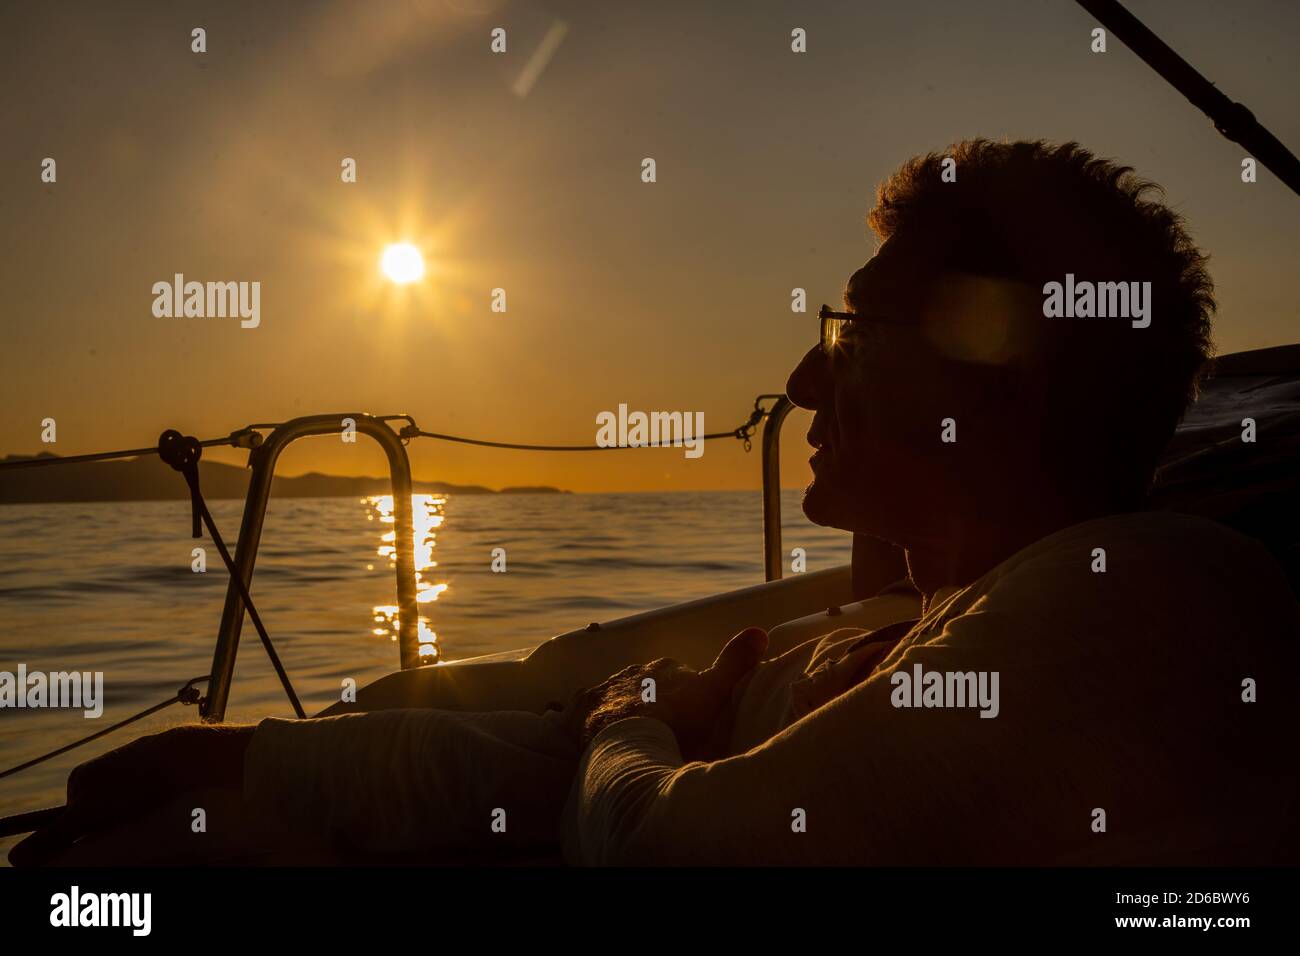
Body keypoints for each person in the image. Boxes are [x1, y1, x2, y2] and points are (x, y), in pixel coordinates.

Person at [14, 139, 1298, 867]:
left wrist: (637, 722)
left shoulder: (1146, 596)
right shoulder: (904, 628)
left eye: (859, 329)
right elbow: (557, 749)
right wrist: (258, 756)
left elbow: (675, 857)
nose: (802, 378)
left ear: (1004, 364)